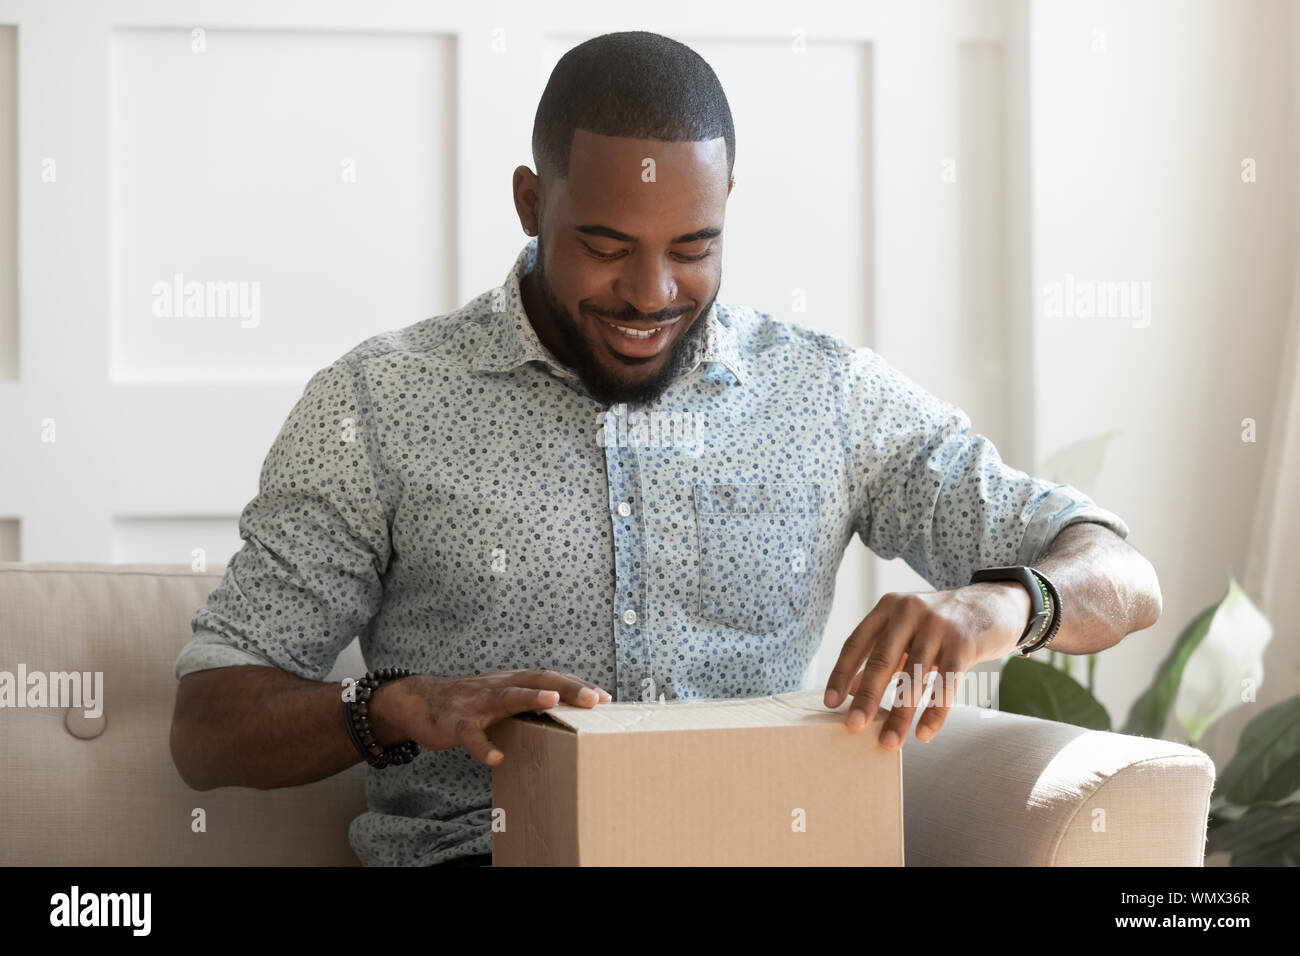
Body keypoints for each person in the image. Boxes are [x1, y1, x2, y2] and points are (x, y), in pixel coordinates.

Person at [169, 30, 1162, 867]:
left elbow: (1122, 575)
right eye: (605, 245)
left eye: (693, 247)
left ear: (728, 201)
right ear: (530, 201)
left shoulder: (823, 395)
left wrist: (999, 601)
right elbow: (209, 726)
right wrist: (397, 706)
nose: (650, 295)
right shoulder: (377, 405)